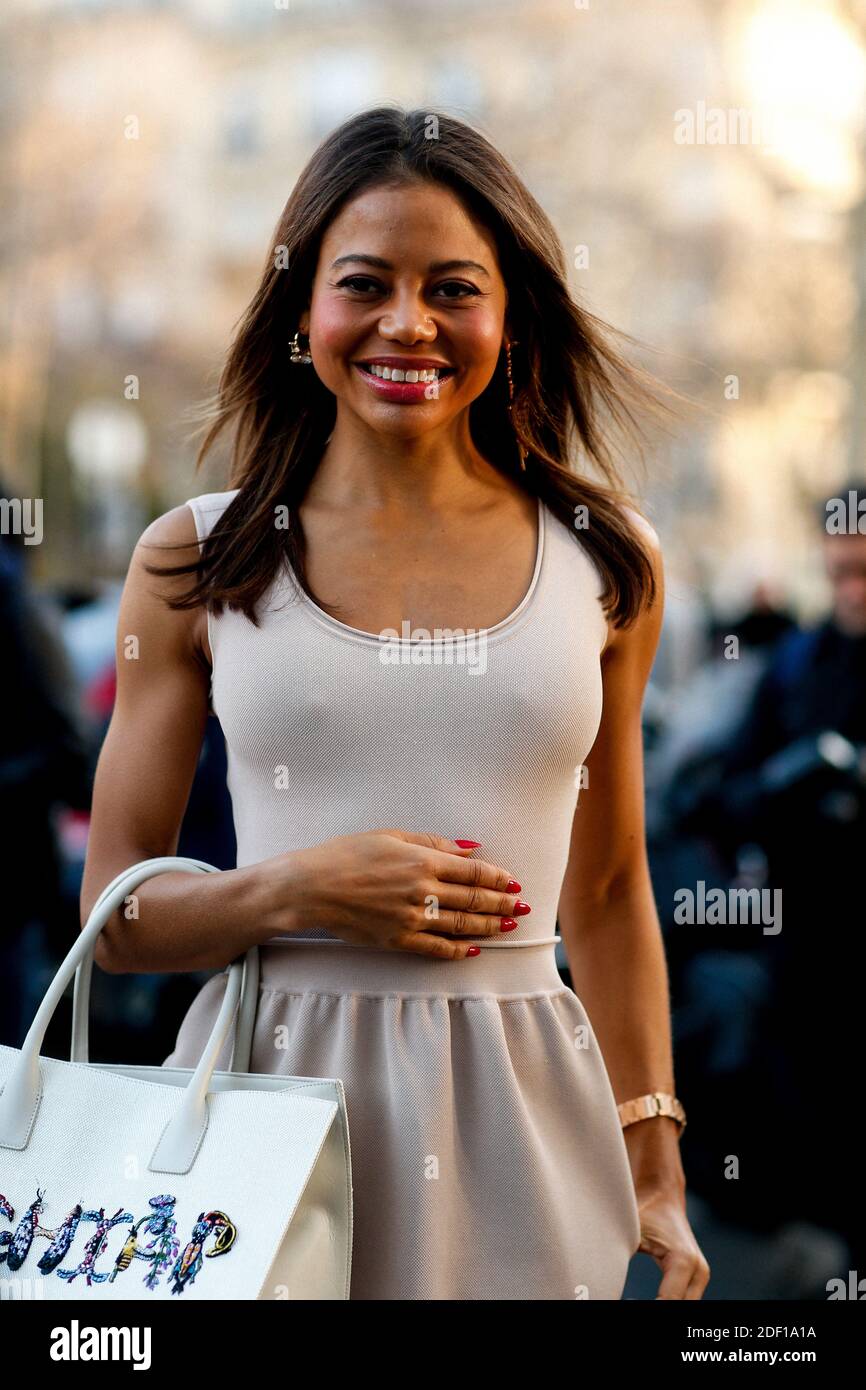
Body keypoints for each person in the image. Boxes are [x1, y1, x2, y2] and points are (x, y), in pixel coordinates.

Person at [81, 106, 709, 1301]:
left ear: (509, 313)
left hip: (524, 1122)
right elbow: (113, 915)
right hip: (256, 1120)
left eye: (453, 289)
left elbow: (615, 890)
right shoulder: (194, 561)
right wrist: (293, 889)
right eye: (362, 283)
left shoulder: (606, 559)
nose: (407, 324)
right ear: (300, 313)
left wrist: (655, 1160)